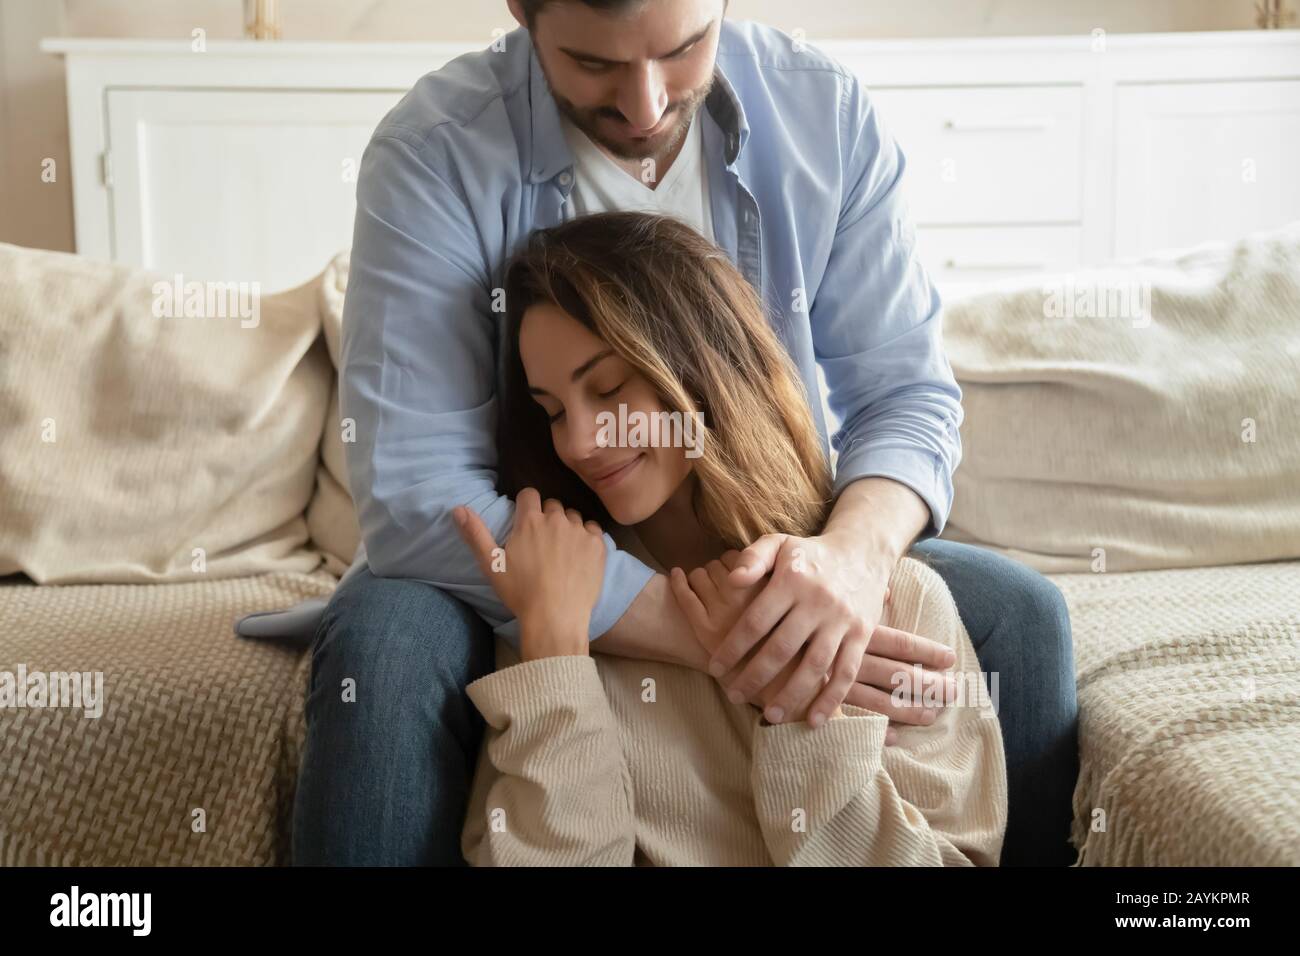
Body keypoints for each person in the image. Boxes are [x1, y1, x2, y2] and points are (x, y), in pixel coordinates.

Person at [291, 0, 1078, 867]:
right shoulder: (434, 149)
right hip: (534, 547)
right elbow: (414, 491)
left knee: (1021, 614)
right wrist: (735, 639)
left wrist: (846, 565)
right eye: (594, 65)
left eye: (684, 49)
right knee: (387, 641)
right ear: (520, 10)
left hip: (773, 525)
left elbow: (907, 396)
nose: (646, 105)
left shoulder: (823, 111)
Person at [452, 210, 1007, 865]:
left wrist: (796, 697)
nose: (577, 441)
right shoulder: (563, 598)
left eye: (607, 389)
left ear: (702, 369)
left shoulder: (905, 604)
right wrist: (552, 654)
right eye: (551, 413)